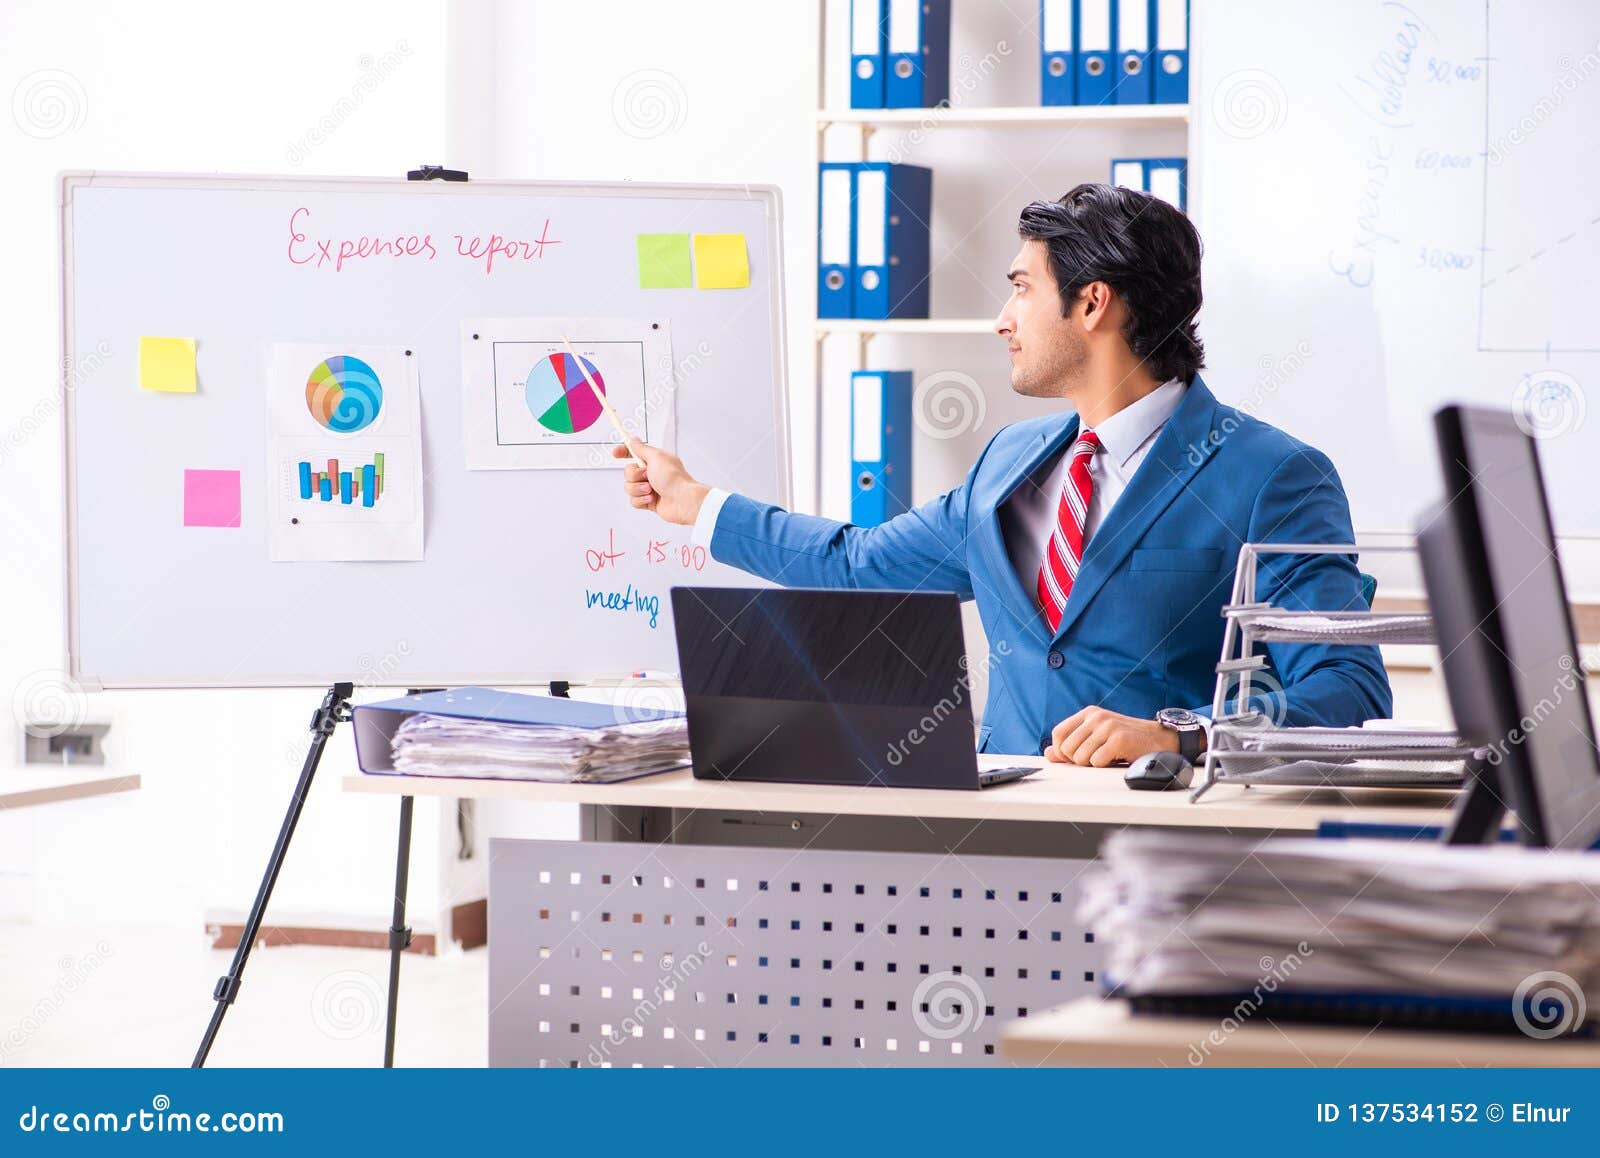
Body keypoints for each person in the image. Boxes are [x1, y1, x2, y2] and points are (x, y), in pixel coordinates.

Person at [615, 183, 1392, 763]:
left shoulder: (1273, 477)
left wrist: (1178, 731)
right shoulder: (1008, 462)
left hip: (1168, 846)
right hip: (999, 828)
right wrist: (697, 504)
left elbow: (1346, 688)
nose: (1002, 318)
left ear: (1093, 304)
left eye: (1022, 287)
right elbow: (858, 565)